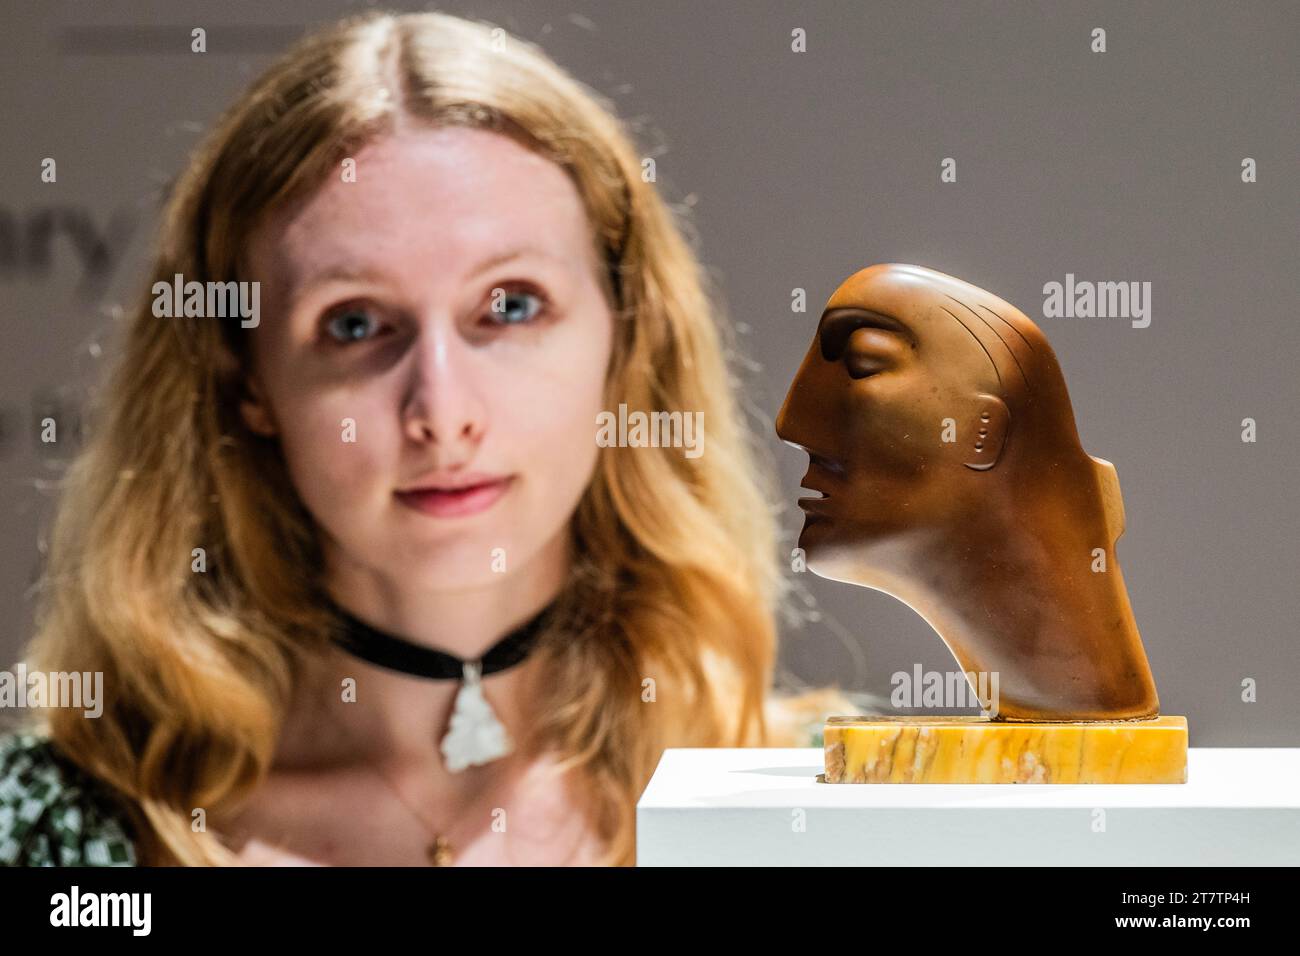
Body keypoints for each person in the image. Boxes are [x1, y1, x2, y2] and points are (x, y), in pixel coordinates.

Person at [0, 10, 846, 867]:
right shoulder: (52, 830)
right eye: (356, 322)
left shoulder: (844, 805)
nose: (442, 410)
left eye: (510, 305)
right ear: (245, 379)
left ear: (625, 340)